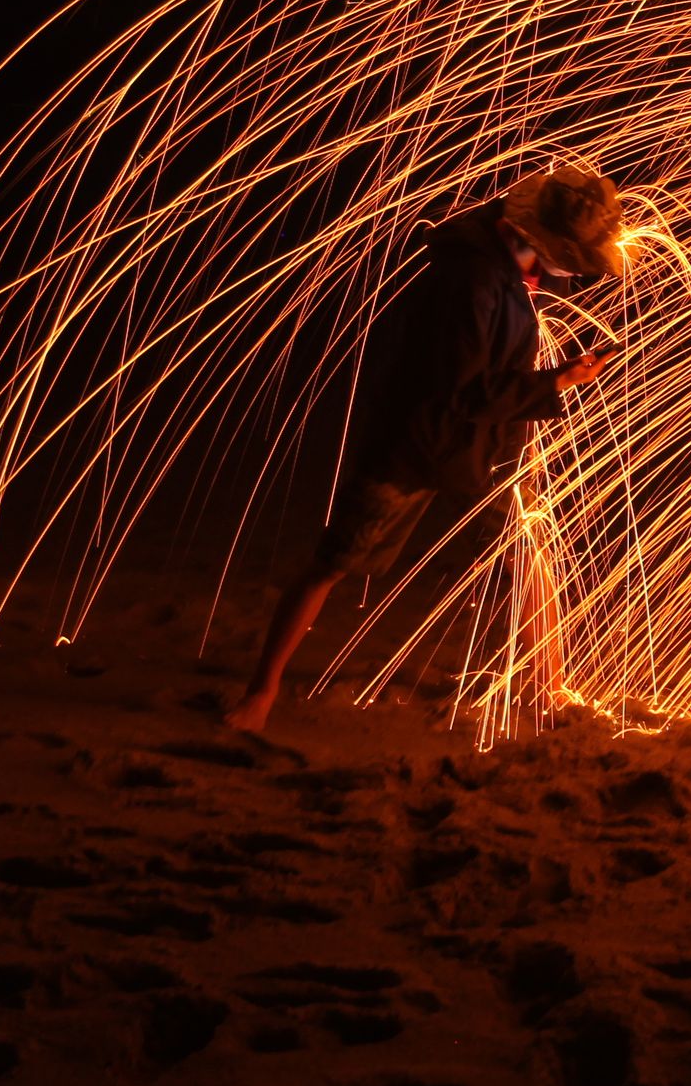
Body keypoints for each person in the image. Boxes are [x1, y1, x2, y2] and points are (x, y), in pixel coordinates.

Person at [224, 165, 626, 732]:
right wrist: (556, 382)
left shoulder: (510, 270)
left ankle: (548, 687)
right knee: (335, 562)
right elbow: (461, 390)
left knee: (527, 551)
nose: (576, 273)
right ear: (538, 237)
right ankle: (260, 695)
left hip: (483, 445)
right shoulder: (474, 281)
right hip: (422, 442)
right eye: (572, 256)